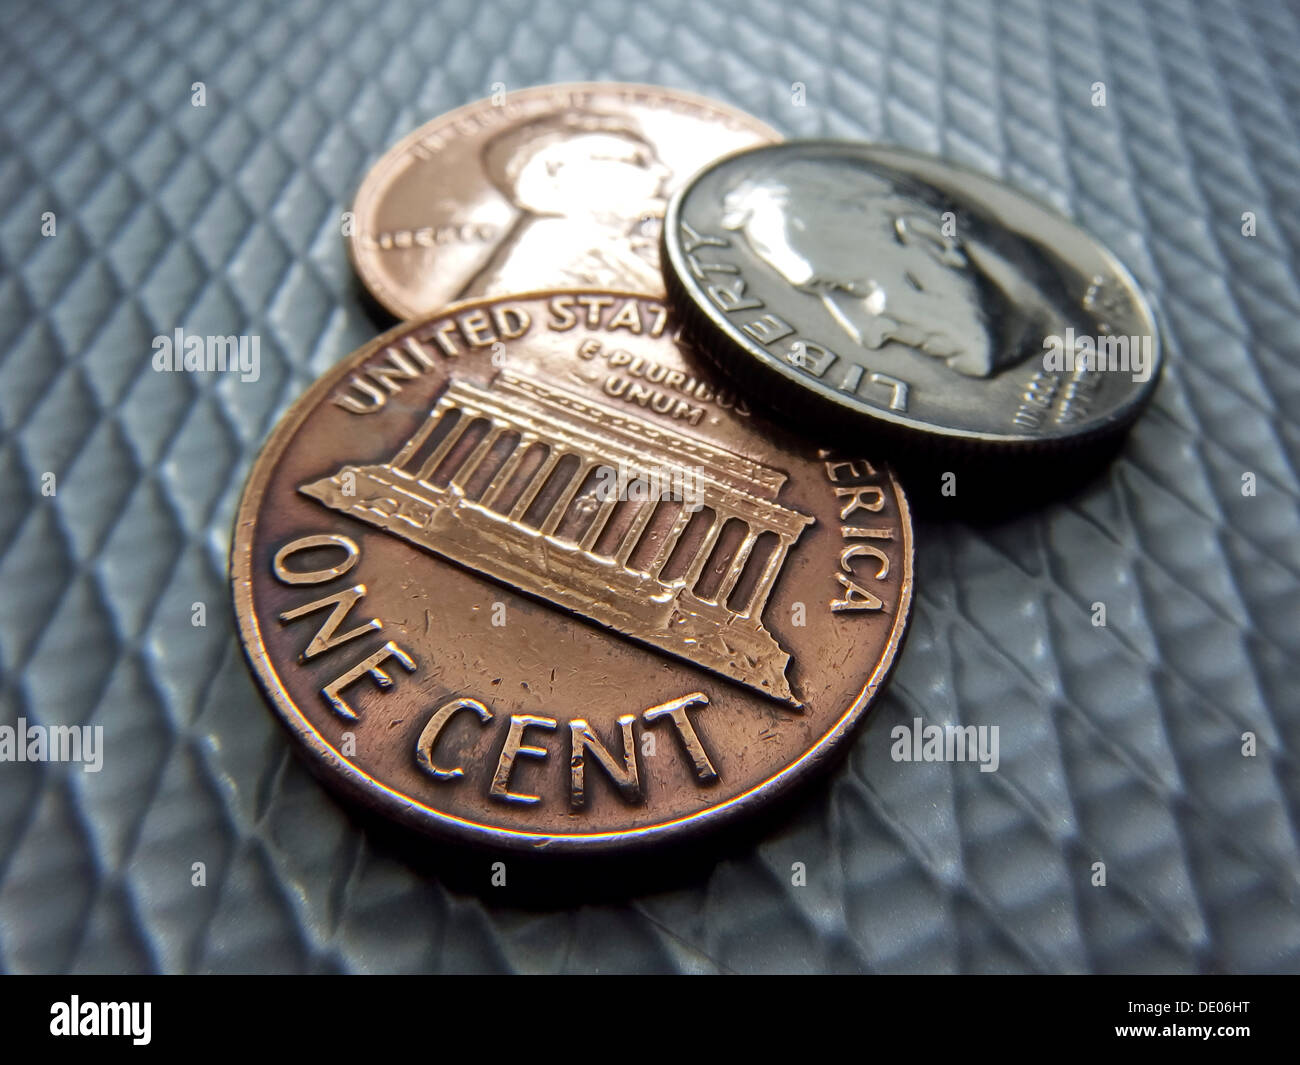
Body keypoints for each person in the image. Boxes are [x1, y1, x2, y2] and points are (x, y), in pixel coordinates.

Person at [458, 111, 672, 299]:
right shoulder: (546, 257)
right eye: (636, 161)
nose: (664, 173)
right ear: (553, 175)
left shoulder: (630, 241)